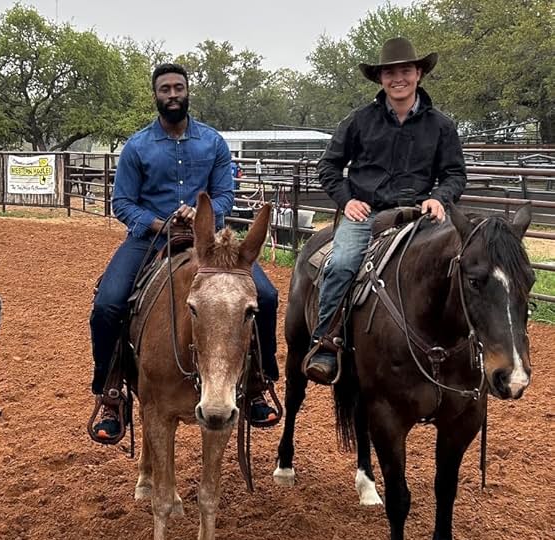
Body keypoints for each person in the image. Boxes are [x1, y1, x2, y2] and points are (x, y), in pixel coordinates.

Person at [89, 63, 280, 442]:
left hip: (210, 243)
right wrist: (159, 223)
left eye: (178, 87)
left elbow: (225, 193)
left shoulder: (213, 143)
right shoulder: (137, 146)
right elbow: (122, 202)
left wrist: (201, 216)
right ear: (155, 95)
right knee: (108, 304)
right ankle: (111, 392)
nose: (172, 94)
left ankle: (258, 380)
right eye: (165, 89)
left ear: (188, 91)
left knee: (268, 296)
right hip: (151, 239)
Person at [305, 37, 466, 384]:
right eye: (390, 73)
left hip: (423, 215)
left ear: (419, 74)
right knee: (343, 263)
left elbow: (454, 173)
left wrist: (439, 197)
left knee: (464, 265)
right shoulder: (359, 121)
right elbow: (329, 166)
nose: (398, 79)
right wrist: (347, 200)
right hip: (368, 214)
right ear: (380, 79)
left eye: (405, 71)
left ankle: (474, 348)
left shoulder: (441, 126)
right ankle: (326, 342)